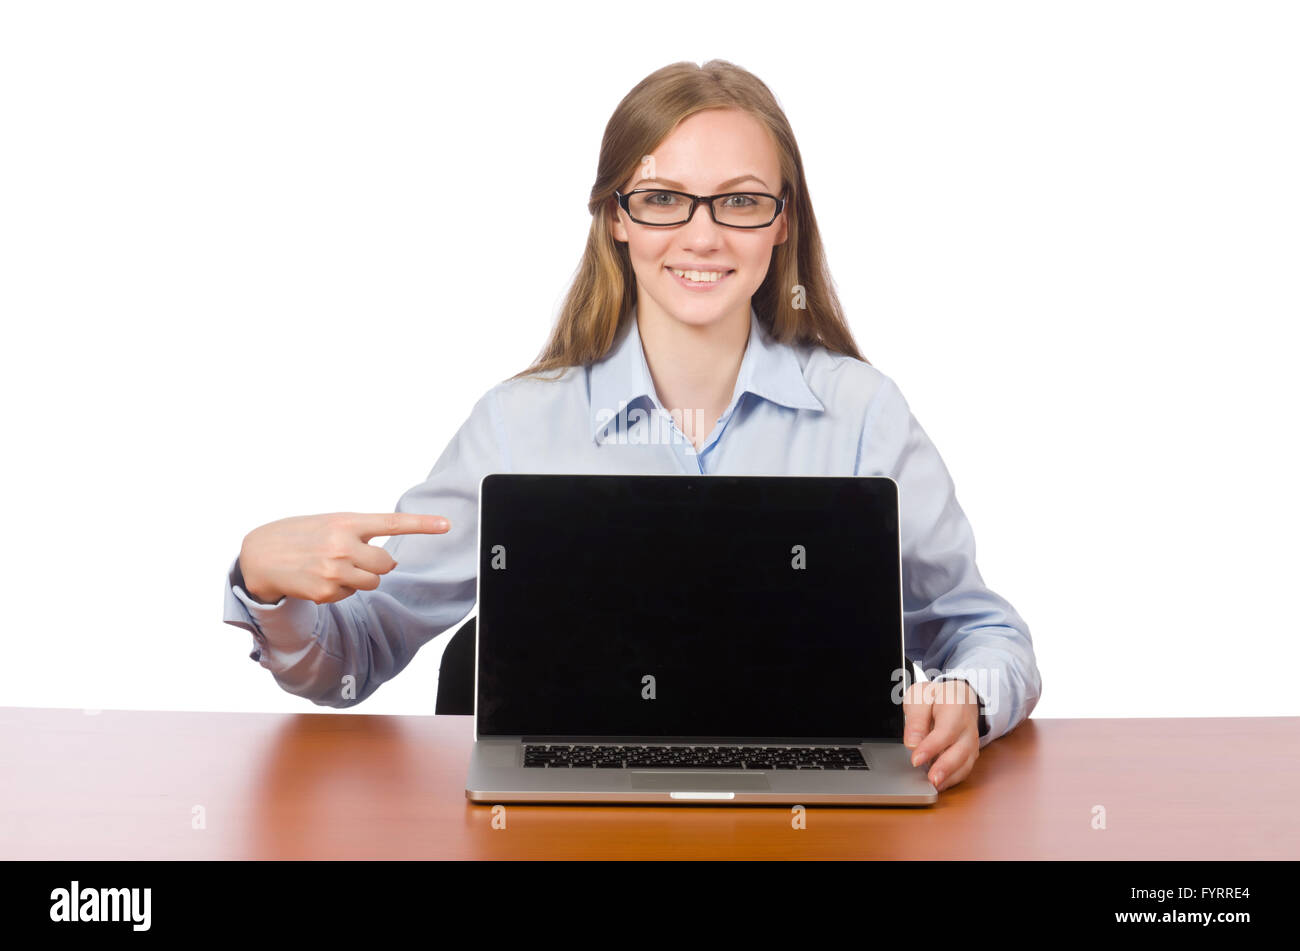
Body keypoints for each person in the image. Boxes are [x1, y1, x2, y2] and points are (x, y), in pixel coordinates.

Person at [222, 59, 1042, 793]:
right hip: (564, 832)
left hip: (815, 825)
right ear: (615, 218)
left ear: (783, 221)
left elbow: (983, 631)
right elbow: (354, 656)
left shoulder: (863, 414)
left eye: (742, 200)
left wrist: (964, 695)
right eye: (661, 199)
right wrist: (267, 585)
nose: (702, 234)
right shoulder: (519, 424)